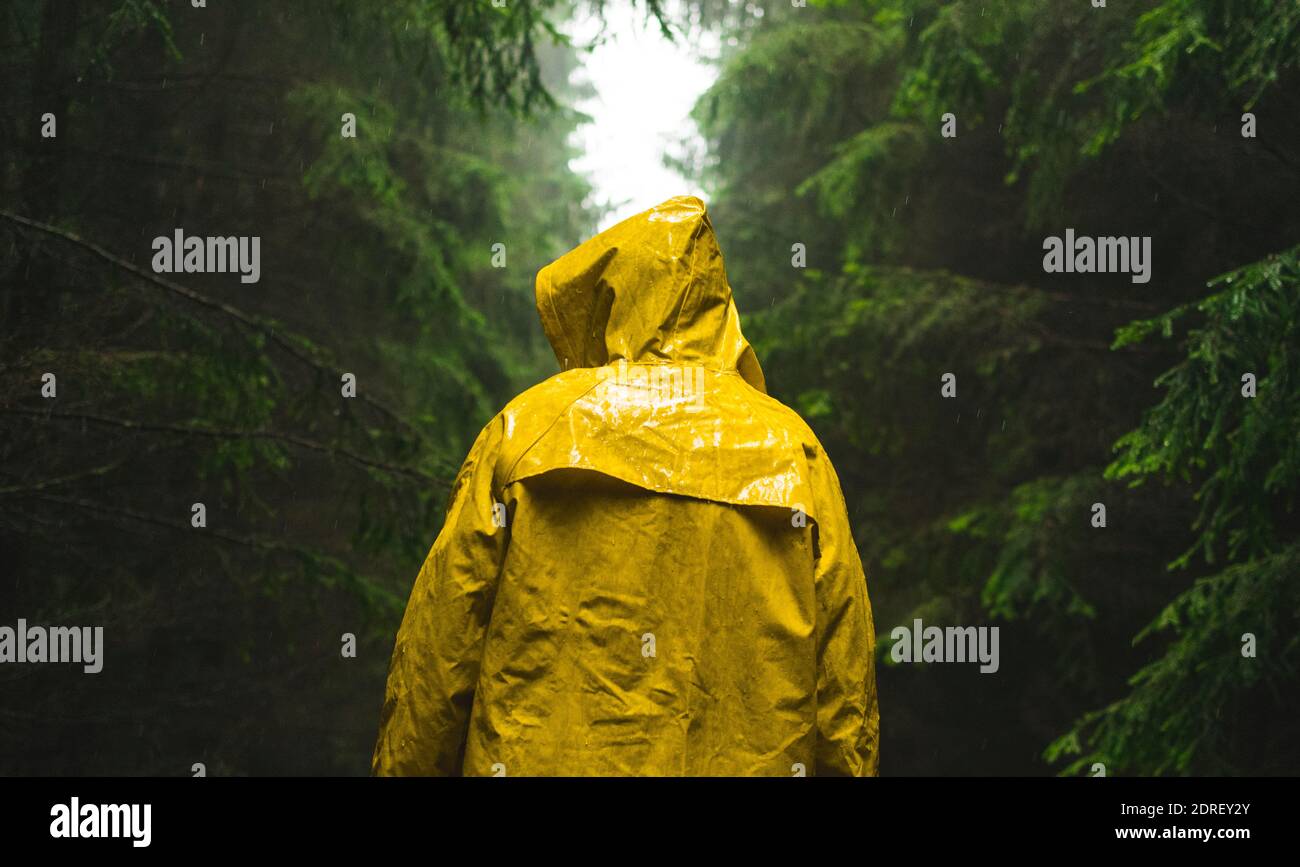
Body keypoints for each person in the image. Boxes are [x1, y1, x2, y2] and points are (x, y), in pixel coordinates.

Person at [371, 195, 879, 776]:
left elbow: (437, 663)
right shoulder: (793, 451)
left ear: (610, 298)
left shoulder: (529, 430)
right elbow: (845, 691)